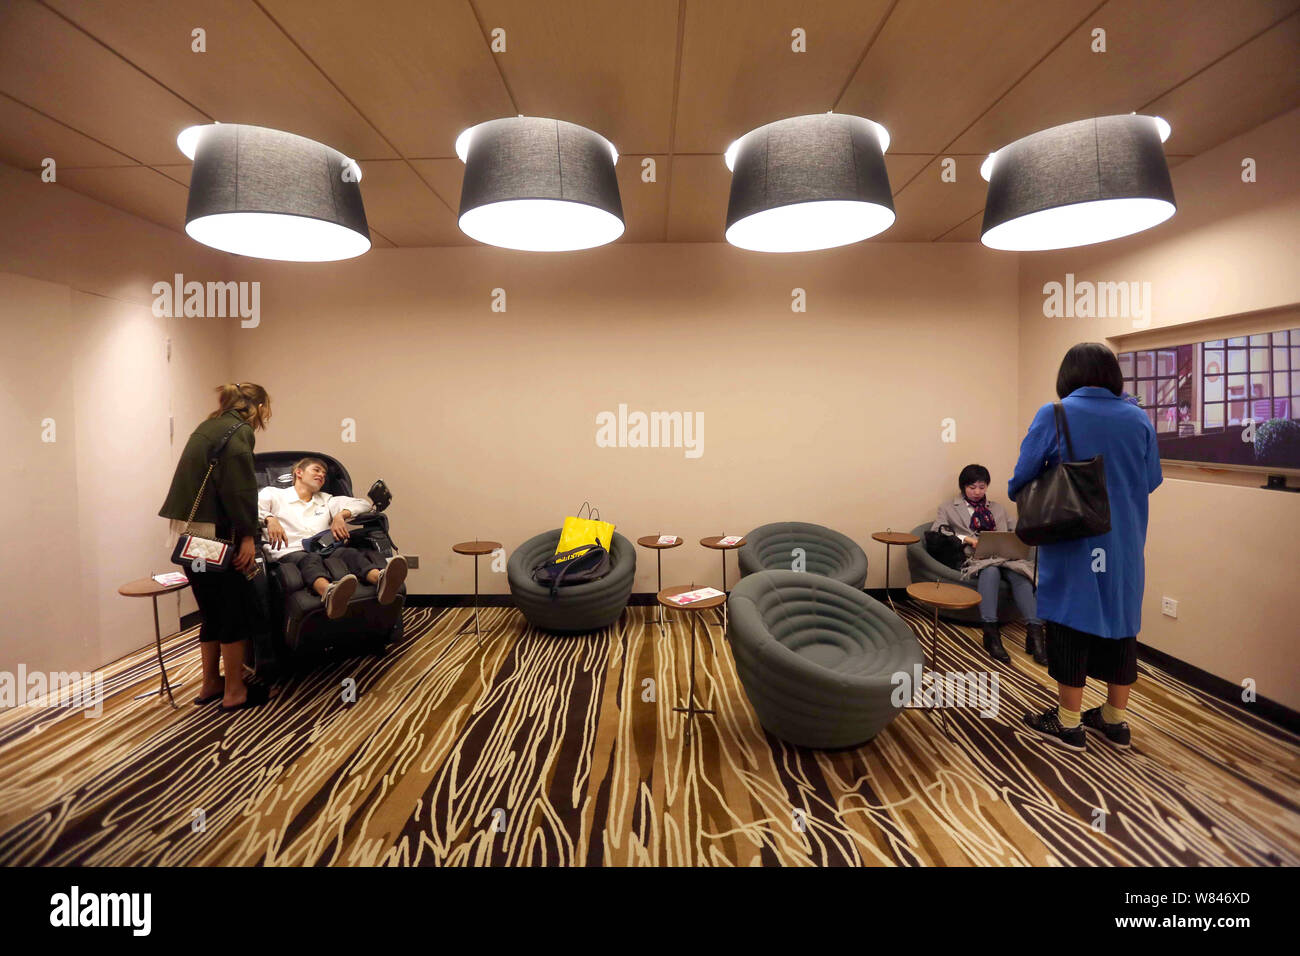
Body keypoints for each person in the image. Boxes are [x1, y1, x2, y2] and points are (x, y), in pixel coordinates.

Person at [1010, 343, 1163, 752]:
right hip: (1125, 542)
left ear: (1067, 376)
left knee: (1069, 623)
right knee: (1121, 624)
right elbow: (1150, 479)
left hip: (1074, 541)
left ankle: (1069, 723)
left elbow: (1020, 479)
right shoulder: (1138, 419)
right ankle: (1115, 721)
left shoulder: (1056, 414)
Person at [159, 383, 271, 712]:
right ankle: (235, 690)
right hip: (214, 537)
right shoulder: (239, 432)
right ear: (258, 407)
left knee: (210, 611)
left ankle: (211, 683)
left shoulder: (208, 427)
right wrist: (248, 536)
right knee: (232, 611)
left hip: (187, 535)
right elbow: (240, 490)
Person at [259, 457, 407, 617]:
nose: (322, 475)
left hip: (325, 549)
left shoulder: (326, 499)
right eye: (316, 470)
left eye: (324, 473)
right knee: (310, 560)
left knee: (350, 553)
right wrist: (269, 519)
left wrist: (341, 515)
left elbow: (363, 504)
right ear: (299, 472)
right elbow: (250, 510)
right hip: (290, 551)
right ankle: (329, 593)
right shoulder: (273, 494)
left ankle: (381, 580)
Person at [932, 465, 1045, 665]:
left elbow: (1015, 531)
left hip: (1005, 556)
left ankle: (1035, 635)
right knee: (990, 571)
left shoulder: (998, 508)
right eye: (972, 487)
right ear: (963, 487)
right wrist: (967, 539)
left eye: (982, 487)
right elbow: (938, 531)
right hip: (976, 557)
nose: (977, 492)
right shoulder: (949, 507)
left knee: (1020, 575)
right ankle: (991, 633)